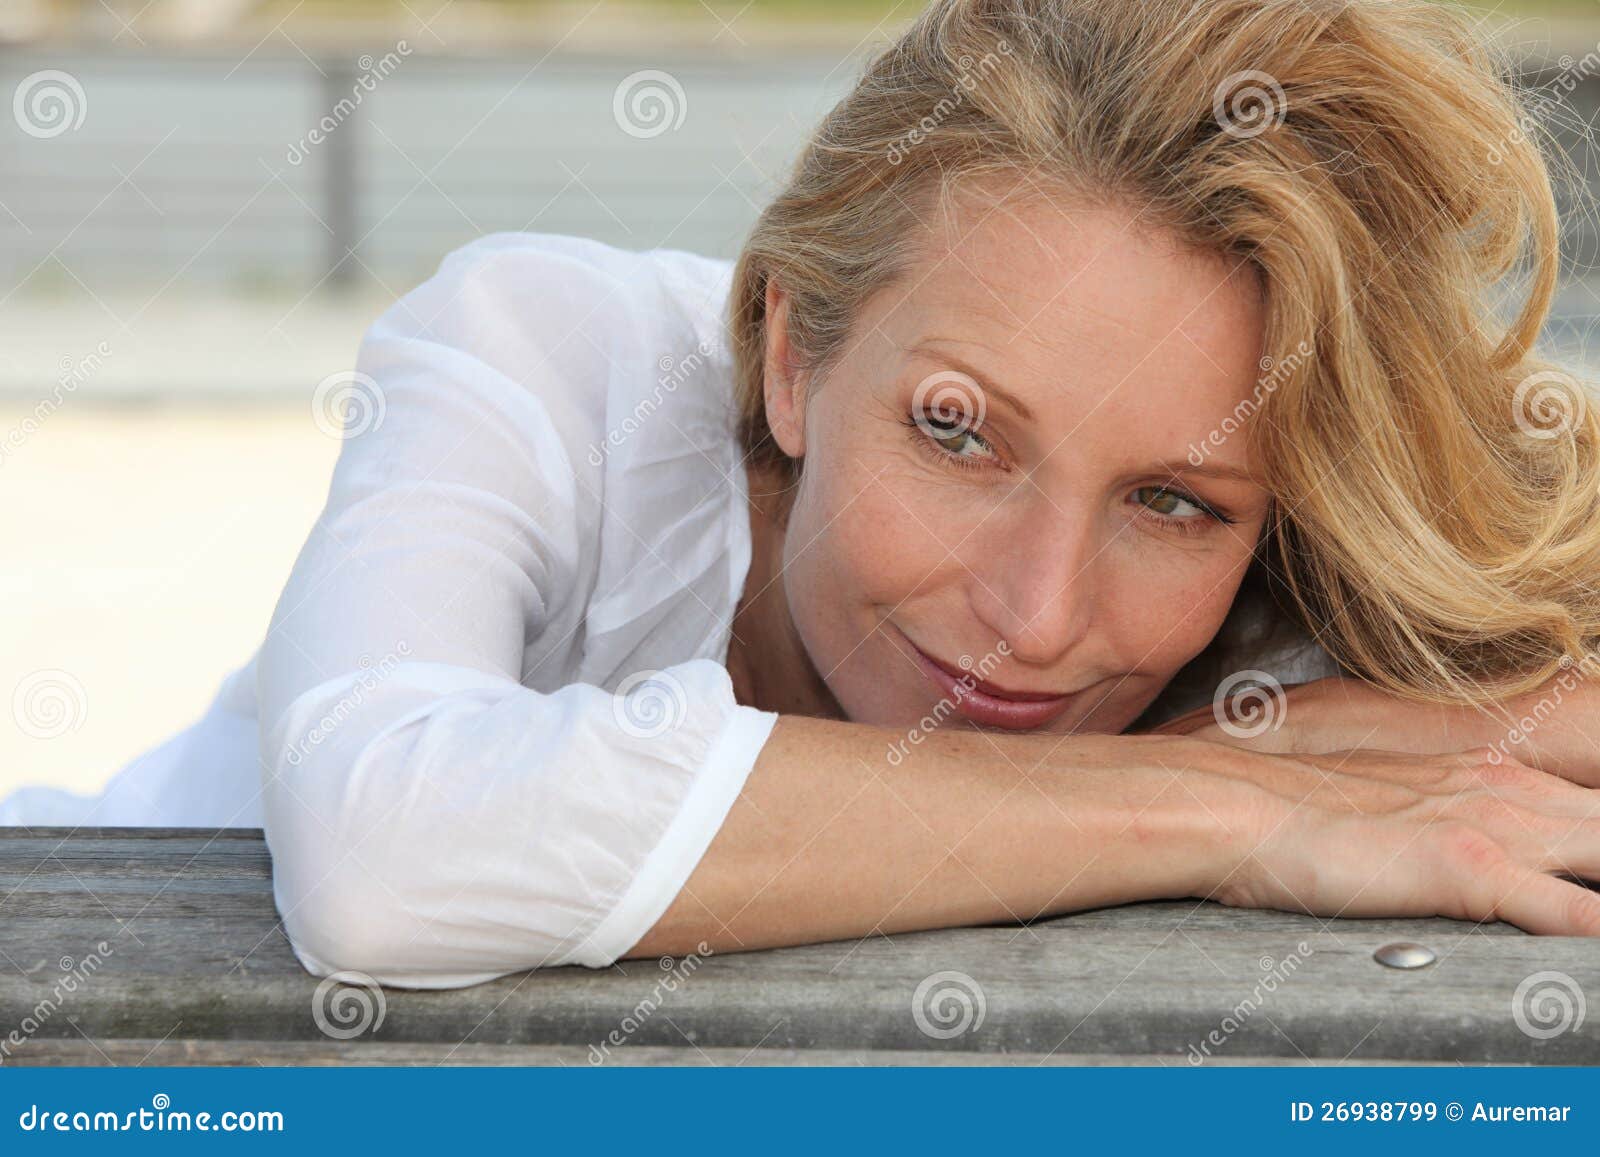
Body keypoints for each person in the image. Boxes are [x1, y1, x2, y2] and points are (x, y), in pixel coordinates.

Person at [6, 0, 1600, 989]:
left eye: (1174, 503)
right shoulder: (544, 352)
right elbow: (384, 853)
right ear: (786, 352)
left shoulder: (1281, 622)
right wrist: (1237, 807)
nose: (1040, 617)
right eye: (961, 434)